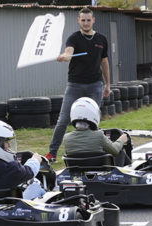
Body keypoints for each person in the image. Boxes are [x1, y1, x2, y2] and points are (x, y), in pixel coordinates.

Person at [48, 7, 110, 162]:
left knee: (94, 121)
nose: (86, 23)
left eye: (89, 20)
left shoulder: (101, 39)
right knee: (63, 120)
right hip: (75, 85)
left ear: (93, 20)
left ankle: (96, 151)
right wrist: (65, 56)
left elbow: (104, 62)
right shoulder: (74, 38)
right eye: (83, 20)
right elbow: (69, 52)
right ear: (78, 21)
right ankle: (52, 153)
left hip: (95, 85)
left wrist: (107, 84)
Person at [63, 97, 131, 166]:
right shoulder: (99, 135)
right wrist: (122, 139)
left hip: (76, 172)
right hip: (100, 172)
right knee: (120, 150)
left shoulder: (66, 138)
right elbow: (115, 150)